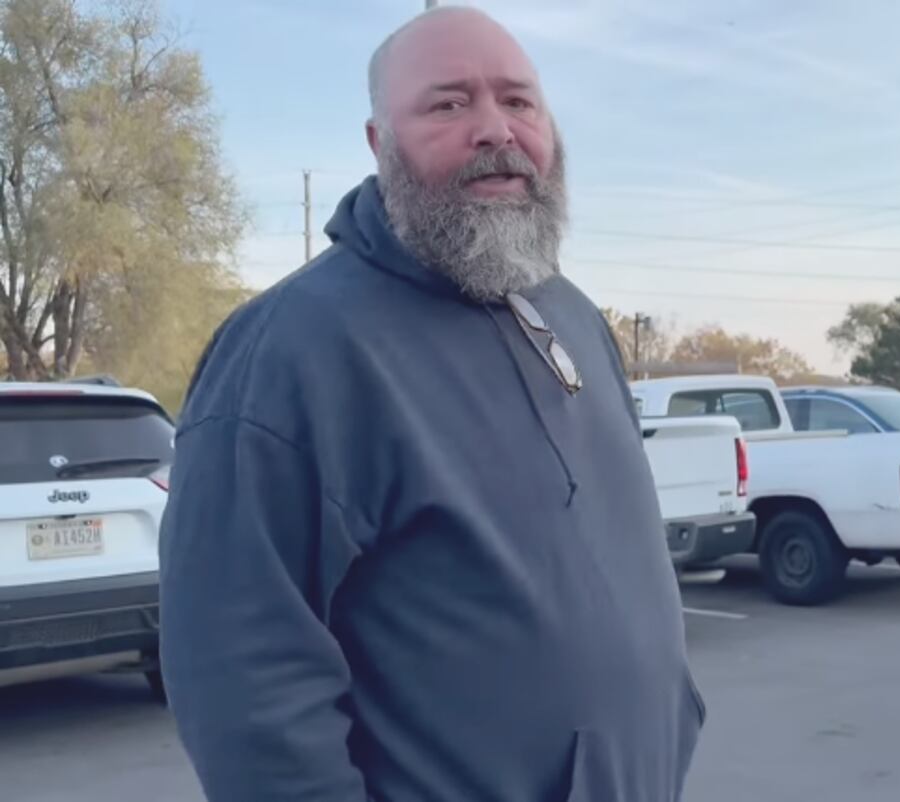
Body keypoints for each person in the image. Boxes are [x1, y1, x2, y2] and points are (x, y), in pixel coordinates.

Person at [157, 6, 705, 801]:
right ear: (381, 146)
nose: (495, 129)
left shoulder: (576, 317)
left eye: (519, 101)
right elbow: (245, 681)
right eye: (449, 104)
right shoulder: (292, 353)